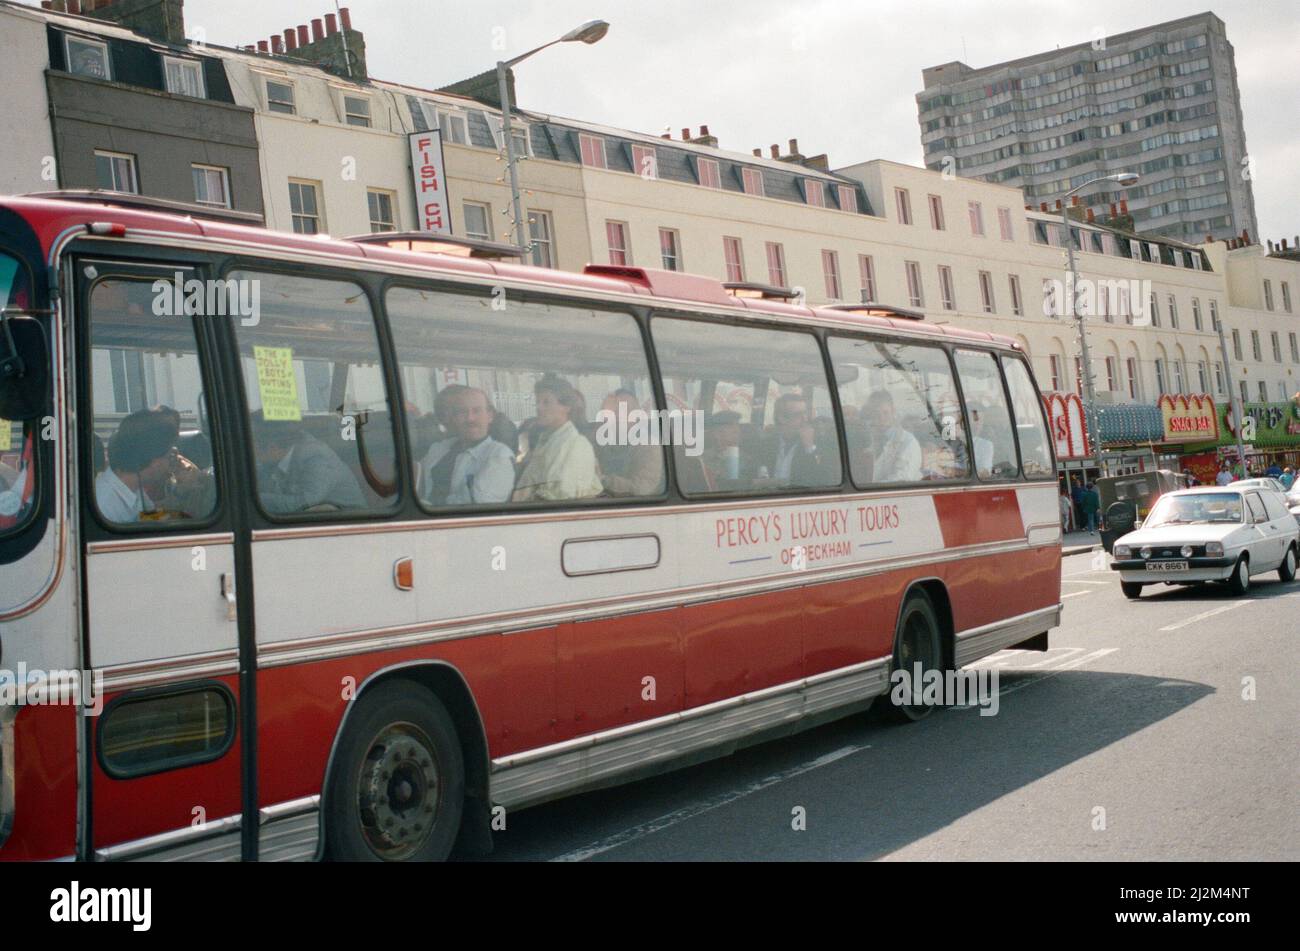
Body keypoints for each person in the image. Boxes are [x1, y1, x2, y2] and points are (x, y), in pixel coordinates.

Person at [418, 386, 515, 506]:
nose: (470, 418)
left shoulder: (499, 455)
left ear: (490, 416)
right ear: (454, 418)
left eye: (477, 410)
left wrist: (424, 506)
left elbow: (476, 504)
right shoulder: (438, 448)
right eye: (462, 412)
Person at [251, 413, 366, 514]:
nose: (251, 450)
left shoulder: (316, 457)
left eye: (254, 443)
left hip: (347, 523)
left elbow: (303, 504)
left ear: (273, 447)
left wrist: (255, 499)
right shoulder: (276, 457)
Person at [513, 376, 603, 502]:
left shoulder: (577, 445)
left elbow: (564, 499)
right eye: (537, 402)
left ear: (566, 407)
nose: (539, 407)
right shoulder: (545, 440)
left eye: (546, 402)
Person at [95, 409, 183, 523]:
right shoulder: (105, 507)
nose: (169, 465)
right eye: (167, 457)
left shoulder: (133, 489)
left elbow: (151, 517)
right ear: (154, 459)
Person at [755, 393, 839, 487]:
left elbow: (823, 481)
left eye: (805, 413)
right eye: (798, 414)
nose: (805, 419)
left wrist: (809, 448)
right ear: (781, 418)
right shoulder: (766, 444)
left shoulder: (819, 443)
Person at [595, 389, 665, 497]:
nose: (614, 417)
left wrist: (604, 480)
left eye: (620, 412)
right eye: (611, 412)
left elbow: (642, 488)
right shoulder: (604, 442)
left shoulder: (649, 446)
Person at [863, 390, 922, 483]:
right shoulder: (868, 439)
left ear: (893, 411)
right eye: (876, 414)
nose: (881, 418)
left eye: (885, 413)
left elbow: (903, 478)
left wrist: (871, 487)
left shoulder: (908, 442)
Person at [969, 402, 995, 478]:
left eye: (981, 421)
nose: (978, 424)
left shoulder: (986, 445)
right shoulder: (951, 442)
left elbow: (985, 472)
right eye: (975, 420)